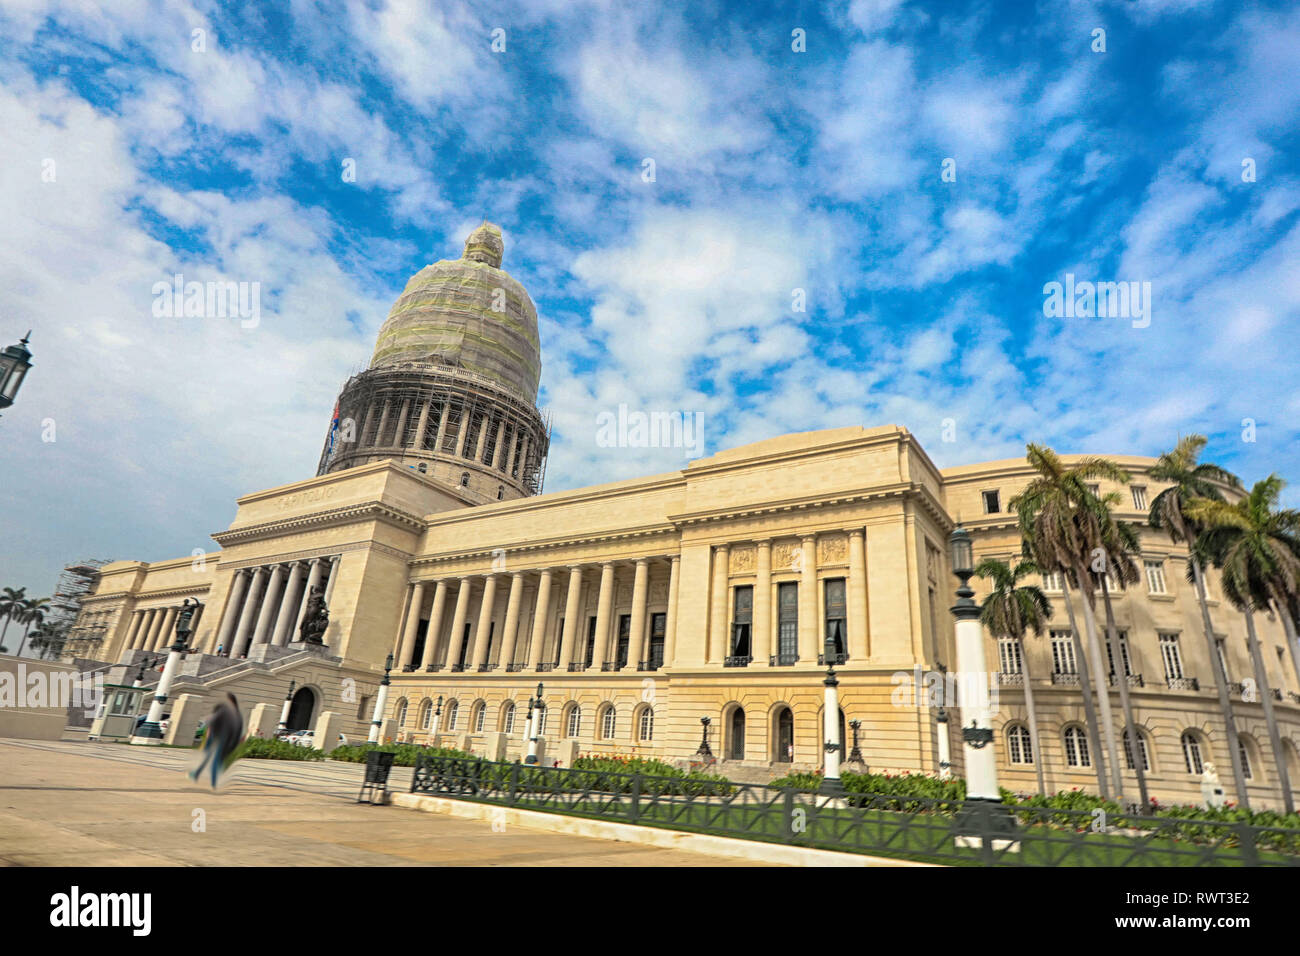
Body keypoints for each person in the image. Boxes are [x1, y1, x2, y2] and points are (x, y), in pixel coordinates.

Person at [189, 693, 244, 789]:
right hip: (226, 738)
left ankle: (210, 780)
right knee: (215, 758)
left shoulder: (225, 710)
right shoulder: (237, 713)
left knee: (211, 757)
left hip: (217, 735)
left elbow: (211, 720)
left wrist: (209, 731)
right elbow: (238, 729)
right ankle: (200, 775)